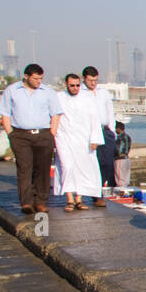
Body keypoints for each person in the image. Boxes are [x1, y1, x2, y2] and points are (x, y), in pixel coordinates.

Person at [0, 64, 62, 213]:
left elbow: (56, 113)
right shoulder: (12, 91)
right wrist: (10, 134)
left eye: (41, 78)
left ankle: (41, 201)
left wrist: (52, 132)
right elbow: (4, 113)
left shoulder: (48, 92)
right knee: (24, 168)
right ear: (26, 77)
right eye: (35, 78)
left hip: (43, 134)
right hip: (20, 135)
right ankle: (26, 202)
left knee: (43, 169)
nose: (39, 81)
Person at [52, 73, 104, 211]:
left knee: (82, 168)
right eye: (72, 85)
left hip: (83, 140)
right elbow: (54, 117)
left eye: (77, 85)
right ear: (66, 85)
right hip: (64, 138)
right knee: (67, 167)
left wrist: (95, 139)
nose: (75, 88)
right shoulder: (58, 98)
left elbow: (95, 119)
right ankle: (69, 199)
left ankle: (79, 199)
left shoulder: (87, 98)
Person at [81, 65, 115, 203]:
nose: (93, 83)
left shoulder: (103, 92)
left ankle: (101, 187)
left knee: (106, 163)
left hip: (105, 130)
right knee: (91, 162)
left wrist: (112, 131)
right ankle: (95, 194)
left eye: (95, 80)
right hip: (88, 132)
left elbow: (110, 112)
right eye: (90, 80)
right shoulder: (80, 93)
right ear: (85, 79)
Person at [113, 122, 132, 188]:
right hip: (127, 158)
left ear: (118, 129)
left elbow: (118, 150)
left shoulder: (119, 138)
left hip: (120, 159)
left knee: (120, 179)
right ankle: (126, 192)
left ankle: (121, 193)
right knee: (126, 179)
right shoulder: (128, 137)